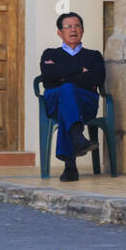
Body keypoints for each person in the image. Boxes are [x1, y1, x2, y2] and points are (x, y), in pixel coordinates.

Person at [40, 12, 105, 182]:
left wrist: (62, 75)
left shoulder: (94, 56)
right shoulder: (50, 54)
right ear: (59, 33)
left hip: (86, 103)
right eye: (68, 27)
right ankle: (77, 138)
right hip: (55, 101)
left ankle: (71, 166)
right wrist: (79, 71)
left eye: (77, 26)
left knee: (66, 99)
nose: (73, 30)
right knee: (67, 92)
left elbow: (96, 79)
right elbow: (48, 77)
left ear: (82, 30)